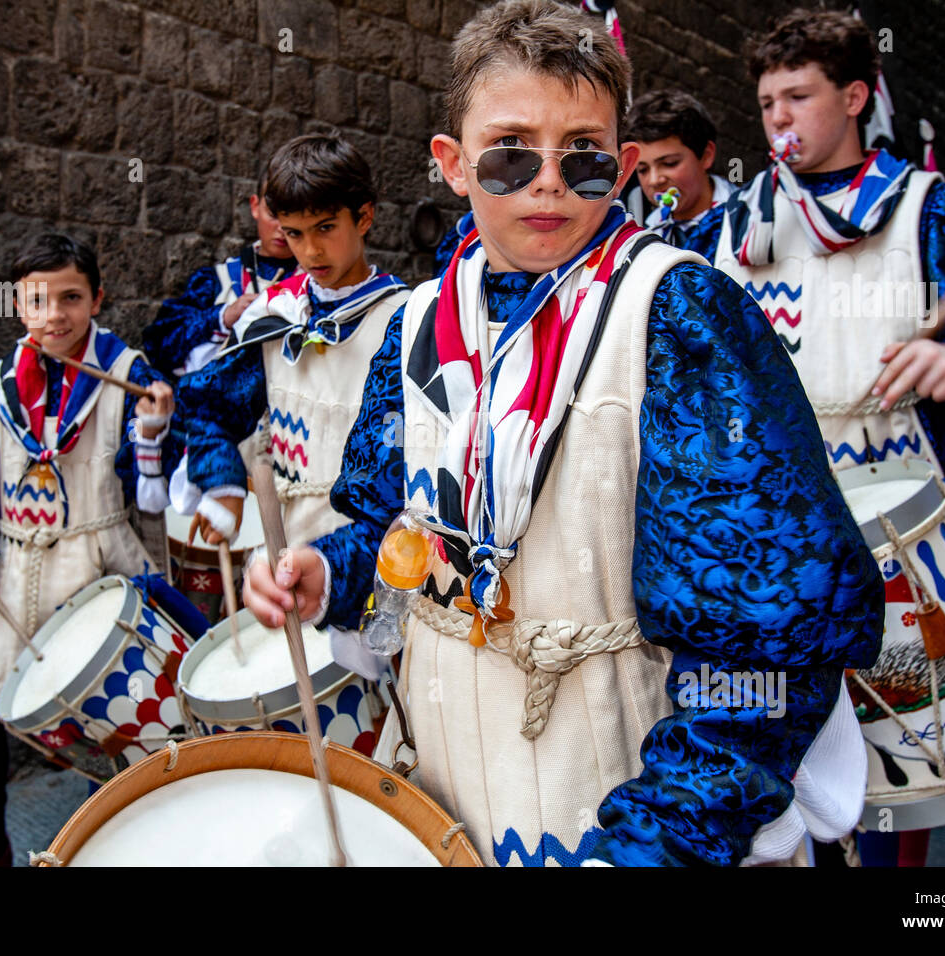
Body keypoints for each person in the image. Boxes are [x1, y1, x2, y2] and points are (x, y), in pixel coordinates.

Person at [243, 0, 884, 867]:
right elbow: (389, 528)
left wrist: (658, 842)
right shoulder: (418, 325)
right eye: (510, 153)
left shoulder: (681, 315)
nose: (547, 181)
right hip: (444, 777)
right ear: (453, 164)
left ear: (621, 169)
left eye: (581, 157)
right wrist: (328, 572)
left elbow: (764, 646)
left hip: (620, 792)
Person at [685, 8, 945, 865]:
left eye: (799, 96)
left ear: (857, 96)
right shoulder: (730, 230)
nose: (779, 119)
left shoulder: (928, 210)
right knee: (778, 775)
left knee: (898, 771)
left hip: (902, 525)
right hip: (771, 540)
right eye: (766, 104)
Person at [0, 233, 182, 866]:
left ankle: (125, 839)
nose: (53, 315)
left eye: (70, 298)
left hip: (101, 563)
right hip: (16, 564)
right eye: (36, 300)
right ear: (18, 306)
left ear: (98, 299)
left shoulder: (129, 376)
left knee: (123, 709)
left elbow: (155, 497)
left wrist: (151, 430)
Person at [181, 134, 409, 680]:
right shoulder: (272, 316)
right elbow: (209, 405)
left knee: (387, 715)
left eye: (326, 229)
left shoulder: (408, 320)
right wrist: (222, 487)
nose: (310, 252)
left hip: (375, 552)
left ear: (365, 217)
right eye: (294, 234)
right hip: (283, 547)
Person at [142, 170, 300, 379]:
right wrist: (222, 318)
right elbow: (159, 348)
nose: (281, 227)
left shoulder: (317, 285)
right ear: (255, 206)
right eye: (273, 213)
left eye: (292, 216)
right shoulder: (216, 282)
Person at [621, 89, 735, 244]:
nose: (654, 180)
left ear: (706, 155)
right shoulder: (648, 232)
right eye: (643, 170)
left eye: (669, 163)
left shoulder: (745, 217)